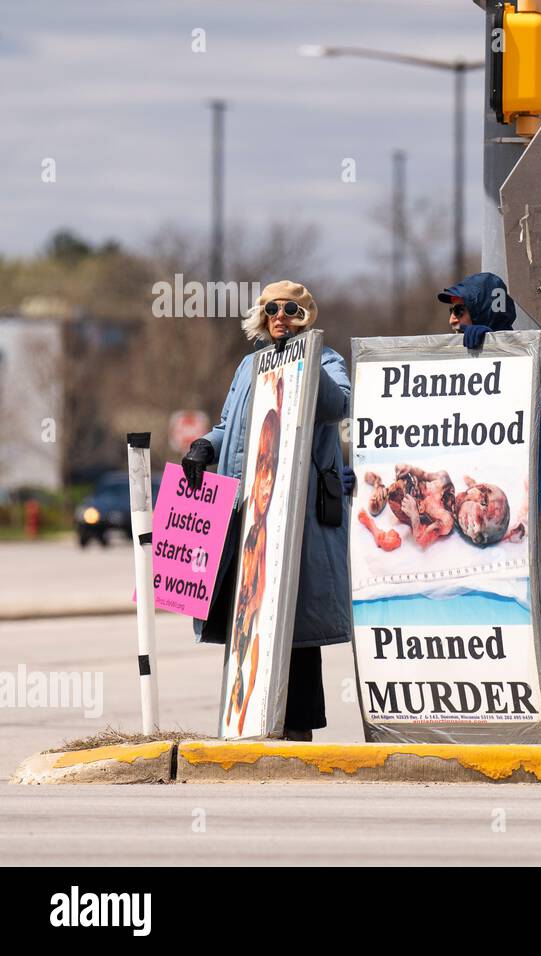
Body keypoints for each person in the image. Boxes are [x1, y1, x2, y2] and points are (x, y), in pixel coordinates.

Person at [181, 280, 353, 741]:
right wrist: (204, 446)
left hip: (297, 522)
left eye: (292, 310)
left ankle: (295, 730)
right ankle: (248, 719)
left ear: (307, 316)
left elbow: (339, 406)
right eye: (273, 309)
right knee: (248, 614)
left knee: (294, 627)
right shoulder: (248, 365)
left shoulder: (326, 359)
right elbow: (226, 426)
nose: (281, 316)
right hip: (250, 511)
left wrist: (305, 357)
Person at [438, 272, 516, 348]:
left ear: (484, 312)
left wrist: (490, 340)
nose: (451, 320)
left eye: (458, 311)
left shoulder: (522, 351)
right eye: (451, 311)